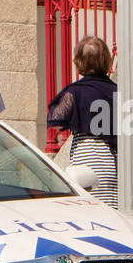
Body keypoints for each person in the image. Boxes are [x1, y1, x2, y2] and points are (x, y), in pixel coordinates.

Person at [47, 35, 117, 206]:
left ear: (78, 63)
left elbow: (55, 118)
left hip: (86, 158)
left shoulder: (75, 92)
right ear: (106, 61)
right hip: (112, 160)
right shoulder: (117, 91)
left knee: (89, 212)